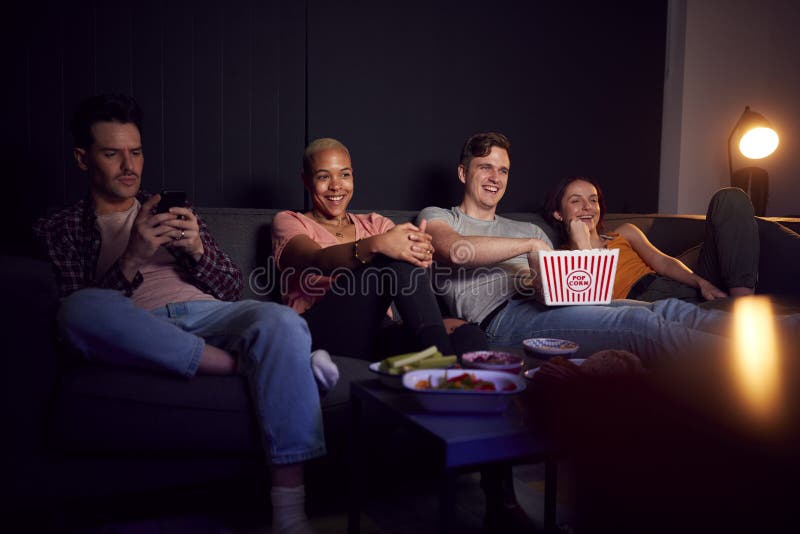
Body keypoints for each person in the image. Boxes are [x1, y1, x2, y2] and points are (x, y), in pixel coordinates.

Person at [33, 94, 325, 534]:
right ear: (82, 159)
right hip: (140, 327)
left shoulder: (172, 212)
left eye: (136, 152)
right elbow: (75, 321)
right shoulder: (59, 228)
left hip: (208, 316)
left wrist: (198, 251)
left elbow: (231, 288)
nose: (129, 166)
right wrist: (132, 257)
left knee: (281, 320)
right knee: (76, 310)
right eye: (112, 154)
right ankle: (261, 364)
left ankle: (289, 514)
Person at [418, 131, 771, 361]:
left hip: (545, 305)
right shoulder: (441, 217)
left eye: (503, 170)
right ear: (463, 173)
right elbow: (455, 250)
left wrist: (546, 273)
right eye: (486, 168)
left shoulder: (527, 227)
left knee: (666, 311)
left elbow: (563, 290)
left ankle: (781, 336)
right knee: (639, 326)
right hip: (500, 320)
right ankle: (757, 362)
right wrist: (529, 246)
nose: (495, 178)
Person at [270, 137, 487, 360]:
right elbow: (317, 259)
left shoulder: (376, 224)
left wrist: (419, 250)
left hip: (375, 334)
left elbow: (409, 271)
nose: (336, 185)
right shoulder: (290, 222)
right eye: (323, 176)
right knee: (391, 258)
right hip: (320, 330)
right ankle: (442, 365)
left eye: (344, 175)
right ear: (306, 180)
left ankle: (444, 369)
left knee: (467, 335)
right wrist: (377, 245)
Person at [544, 175, 800, 303]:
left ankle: (742, 304)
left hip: (677, 282)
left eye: (593, 200)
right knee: (758, 230)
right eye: (576, 201)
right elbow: (594, 303)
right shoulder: (560, 260)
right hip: (647, 303)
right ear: (558, 213)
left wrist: (701, 282)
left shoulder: (624, 233)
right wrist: (582, 246)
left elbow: (663, 263)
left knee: (730, 198)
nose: (587, 207)